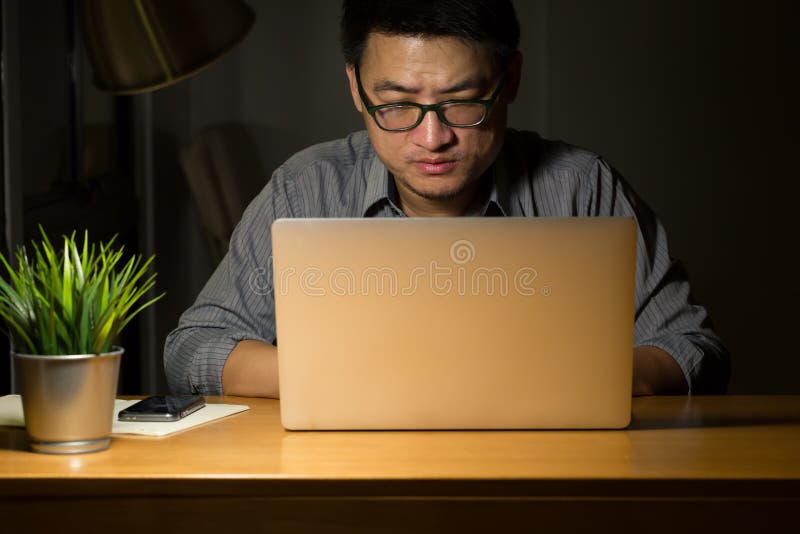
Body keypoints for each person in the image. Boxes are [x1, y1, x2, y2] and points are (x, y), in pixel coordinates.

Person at [164, 0, 730, 398]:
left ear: (509, 80)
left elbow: (690, 346)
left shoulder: (581, 185)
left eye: (462, 101)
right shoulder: (306, 188)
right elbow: (192, 349)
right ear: (355, 86)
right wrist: (347, 379)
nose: (432, 138)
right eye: (396, 104)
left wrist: (580, 380)